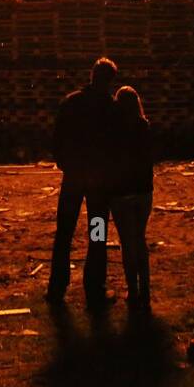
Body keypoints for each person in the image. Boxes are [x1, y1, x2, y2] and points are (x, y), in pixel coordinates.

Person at [47, 57, 119, 309]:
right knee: (97, 233)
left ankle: (56, 287)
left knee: (64, 231)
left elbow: (57, 136)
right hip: (99, 179)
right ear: (110, 81)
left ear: (92, 75)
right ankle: (94, 286)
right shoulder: (111, 107)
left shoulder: (72, 102)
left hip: (74, 175)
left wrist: (64, 163)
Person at [109, 86, 154, 311]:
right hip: (143, 190)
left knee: (127, 242)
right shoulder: (143, 126)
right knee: (140, 239)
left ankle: (133, 289)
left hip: (120, 192)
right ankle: (145, 288)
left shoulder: (113, 129)